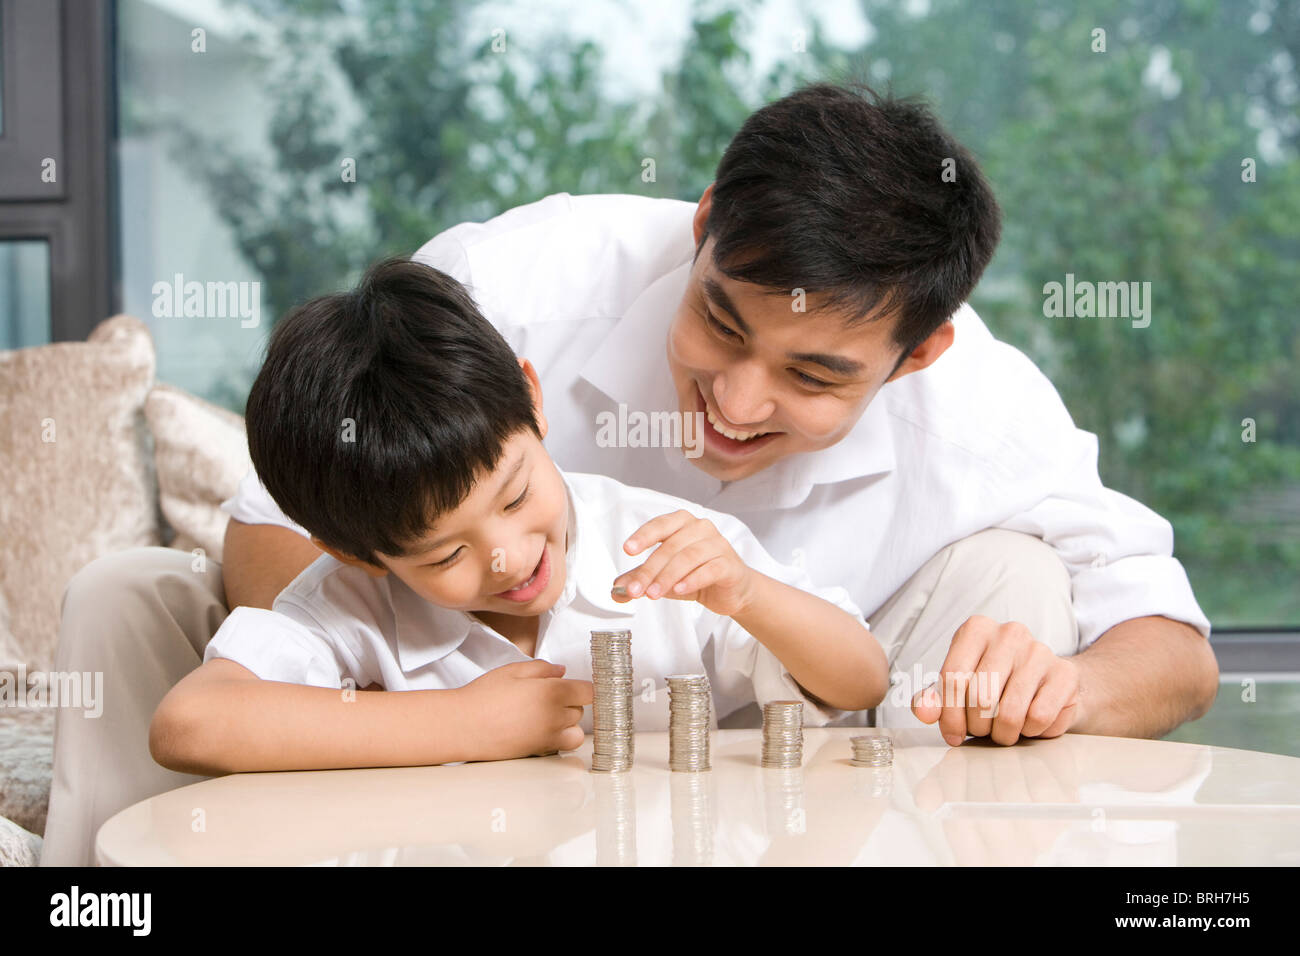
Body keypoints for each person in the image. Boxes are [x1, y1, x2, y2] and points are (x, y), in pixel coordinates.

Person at [42, 82, 1216, 866]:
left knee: (1018, 578)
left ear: (916, 353)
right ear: (702, 226)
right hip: (442, 696)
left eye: (812, 374)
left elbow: (1173, 647)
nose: (738, 402)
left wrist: (1057, 690)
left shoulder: (981, 404)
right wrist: (450, 698)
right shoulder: (510, 282)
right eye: (718, 320)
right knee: (121, 594)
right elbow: (273, 528)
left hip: (794, 709)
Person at [148, 257, 887, 773]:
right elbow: (190, 724)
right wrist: (462, 724)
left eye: (514, 495)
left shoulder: (671, 550)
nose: (506, 557)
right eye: (444, 555)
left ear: (532, 402)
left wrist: (749, 596)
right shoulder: (350, 605)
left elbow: (862, 681)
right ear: (357, 554)